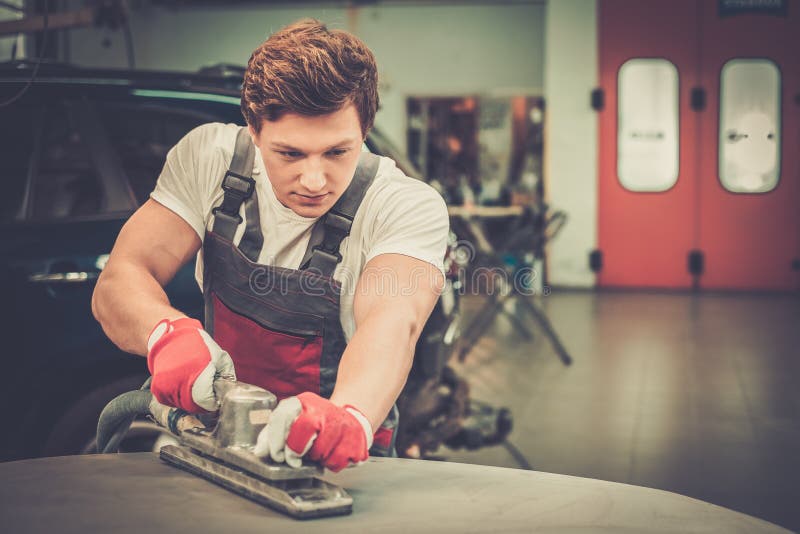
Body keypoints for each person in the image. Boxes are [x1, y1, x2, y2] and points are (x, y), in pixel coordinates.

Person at [91, 19, 449, 472]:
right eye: (291, 154)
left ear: (365, 130)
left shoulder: (404, 205)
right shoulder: (211, 160)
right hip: (217, 439)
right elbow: (123, 275)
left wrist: (352, 415)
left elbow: (392, 323)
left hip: (337, 454)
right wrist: (164, 333)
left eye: (338, 152)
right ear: (254, 131)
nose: (315, 181)